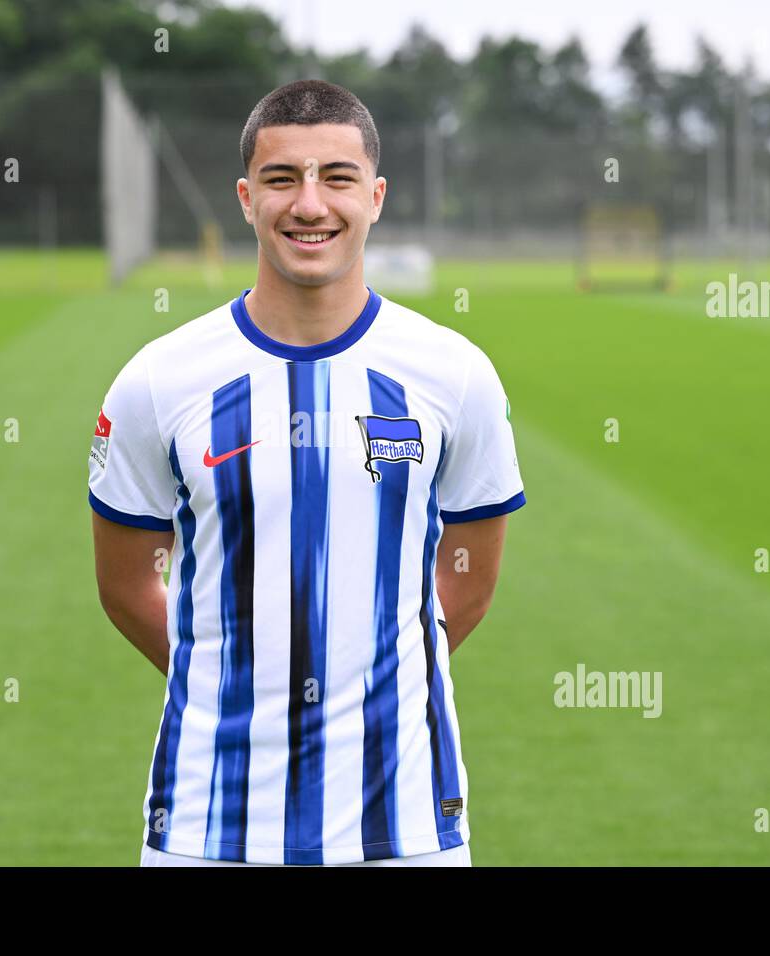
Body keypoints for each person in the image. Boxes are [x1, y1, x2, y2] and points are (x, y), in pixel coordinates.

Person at [88, 79, 524, 867]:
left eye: (338, 178)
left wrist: (374, 685)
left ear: (377, 197)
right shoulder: (159, 380)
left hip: (407, 828)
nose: (310, 204)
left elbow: (471, 576)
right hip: (206, 830)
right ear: (247, 198)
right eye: (283, 179)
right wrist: (241, 680)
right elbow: (123, 584)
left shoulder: (455, 375)